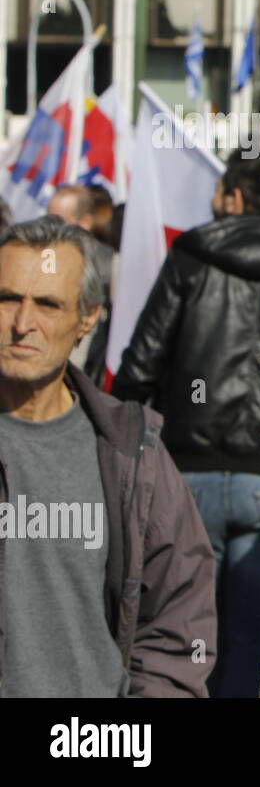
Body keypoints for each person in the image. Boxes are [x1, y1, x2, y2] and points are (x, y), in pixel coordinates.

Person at [111, 154, 260, 697]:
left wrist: (113, 447)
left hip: (188, 477)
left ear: (234, 198)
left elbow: (140, 364)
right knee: (253, 641)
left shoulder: (192, 255)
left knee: (180, 640)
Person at [0, 216, 216, 696]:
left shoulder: (131, 454)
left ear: (87, 317)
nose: (22, 324)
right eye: (8, 298)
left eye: (48, 304)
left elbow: (178, 621)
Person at [46, 185, 114, 385]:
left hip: (83, 373)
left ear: (85, 222)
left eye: (58, 220)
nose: (49, 227)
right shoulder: (43, 259)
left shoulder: (110, 264)